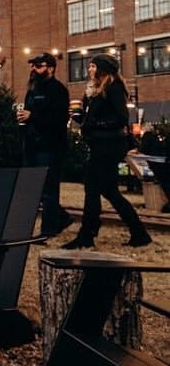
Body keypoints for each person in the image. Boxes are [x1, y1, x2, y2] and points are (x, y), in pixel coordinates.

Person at [63, 53, 151, 249]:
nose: (89, 69)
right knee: (109, 191)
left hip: (109, 146)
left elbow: (120, 118)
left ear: (103, 69)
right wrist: (81, 119)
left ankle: (87, 234)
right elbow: (94, 120)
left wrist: (94, 124)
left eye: (93, 66)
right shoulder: (94, 91)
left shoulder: (113, 88)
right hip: (102, 144)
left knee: (92, 188)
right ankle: (138, 232)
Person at [16, 52, 73, 236]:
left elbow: (59, 119)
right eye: (32, 65)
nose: (33, 69)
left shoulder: (58, 90)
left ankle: (48, 230)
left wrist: (33, 116)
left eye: (38, 66)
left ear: (50, 68)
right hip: (32, 145)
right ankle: (62, 218)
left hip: (50, 147)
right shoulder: (32, 90)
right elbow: (28, 114)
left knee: (48, 190)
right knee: (33, 189)